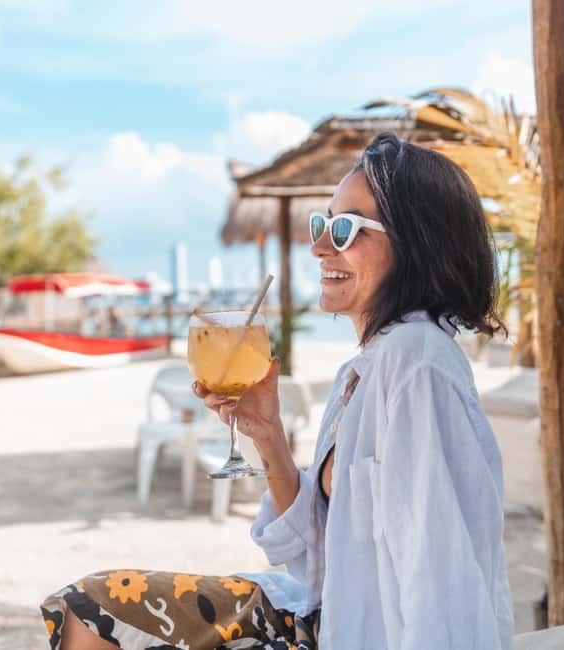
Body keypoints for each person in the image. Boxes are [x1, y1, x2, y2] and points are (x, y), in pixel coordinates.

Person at [39, 132, 514, 649]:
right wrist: (268, 437)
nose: (318, 246)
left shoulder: (416, 363)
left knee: (91, 616)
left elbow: (439, 576)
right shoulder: (368, 366)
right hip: (320, 613)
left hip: (347, 635)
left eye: (345, 228)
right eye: (321, 224)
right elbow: (320, 558)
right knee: (88, 607)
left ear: (417, 244)